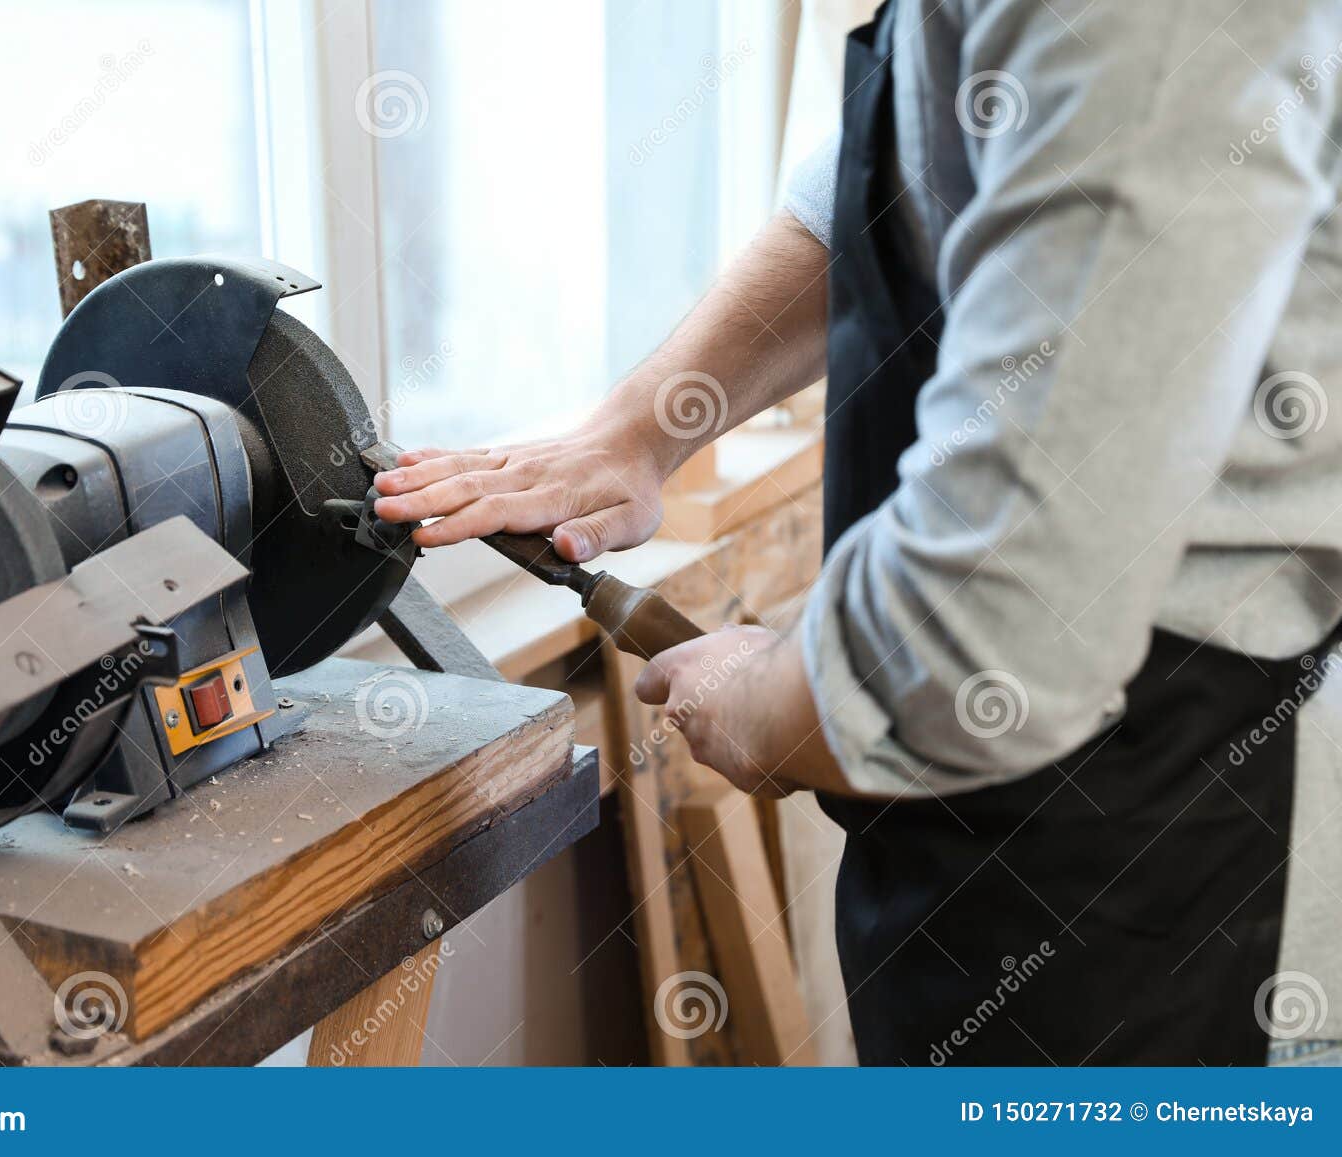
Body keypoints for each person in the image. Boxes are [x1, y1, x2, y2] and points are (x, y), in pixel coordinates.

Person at [373, 0, 1342, 1066]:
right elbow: (924, 164)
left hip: (1153, 818)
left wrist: (768, 694)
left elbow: (993, 627)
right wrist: (637, 430)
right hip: (974, 816)